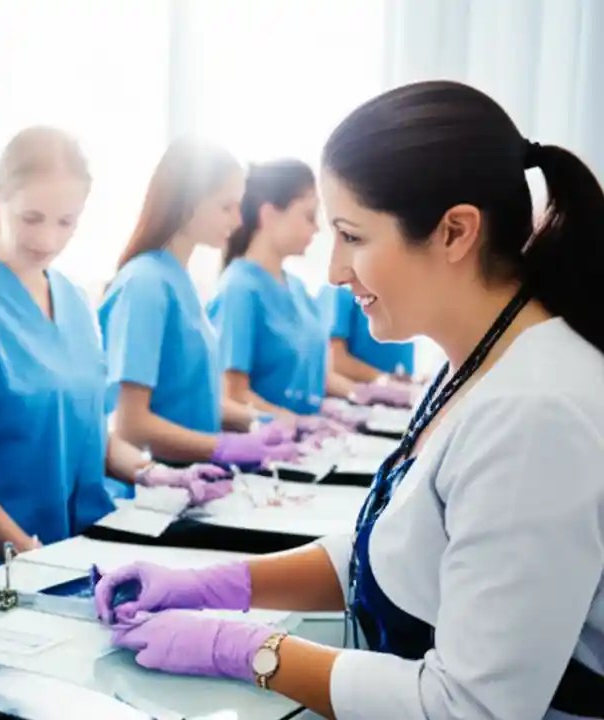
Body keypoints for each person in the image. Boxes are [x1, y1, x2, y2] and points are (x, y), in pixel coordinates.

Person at [93, 80, 604, 719]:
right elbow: (396, 544)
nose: (335, 270)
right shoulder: (486, 361)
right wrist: (218, 584)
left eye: (352, 236)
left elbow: (467, 709)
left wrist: (250, 650)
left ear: (454, 232)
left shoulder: (537, 414)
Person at [0, 128, 233, 572]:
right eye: (31, 218)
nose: (48, 240)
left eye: (65, 222)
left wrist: (155, 474)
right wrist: (28, 556)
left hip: (69, 553)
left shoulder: (71, 299)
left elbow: (82, 429)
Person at [99, 137, 301, 471]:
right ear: (187, 203)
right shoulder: (145, 284)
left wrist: (261, 420)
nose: (238, 221)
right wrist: (223, 446)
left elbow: (190, 399)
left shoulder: (180, 281)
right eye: (226, 207)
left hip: (190, 483)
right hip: (149, 494)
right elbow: (131, 425)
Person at [208, 160, 410, 417]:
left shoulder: (297, 289)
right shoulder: (239, 289)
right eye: (308, 216)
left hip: (306, 446)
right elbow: (232, 394)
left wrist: (365, 399)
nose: (316, 228)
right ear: (269, 215)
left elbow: (318, 380)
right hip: (265, 449)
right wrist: (285, 422)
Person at [325, 283, 416, 383]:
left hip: (402, 390)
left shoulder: (404, 298)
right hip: (361, 390)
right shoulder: (344, 293)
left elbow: (405, 373)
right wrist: (386, 381)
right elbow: (337, 362)